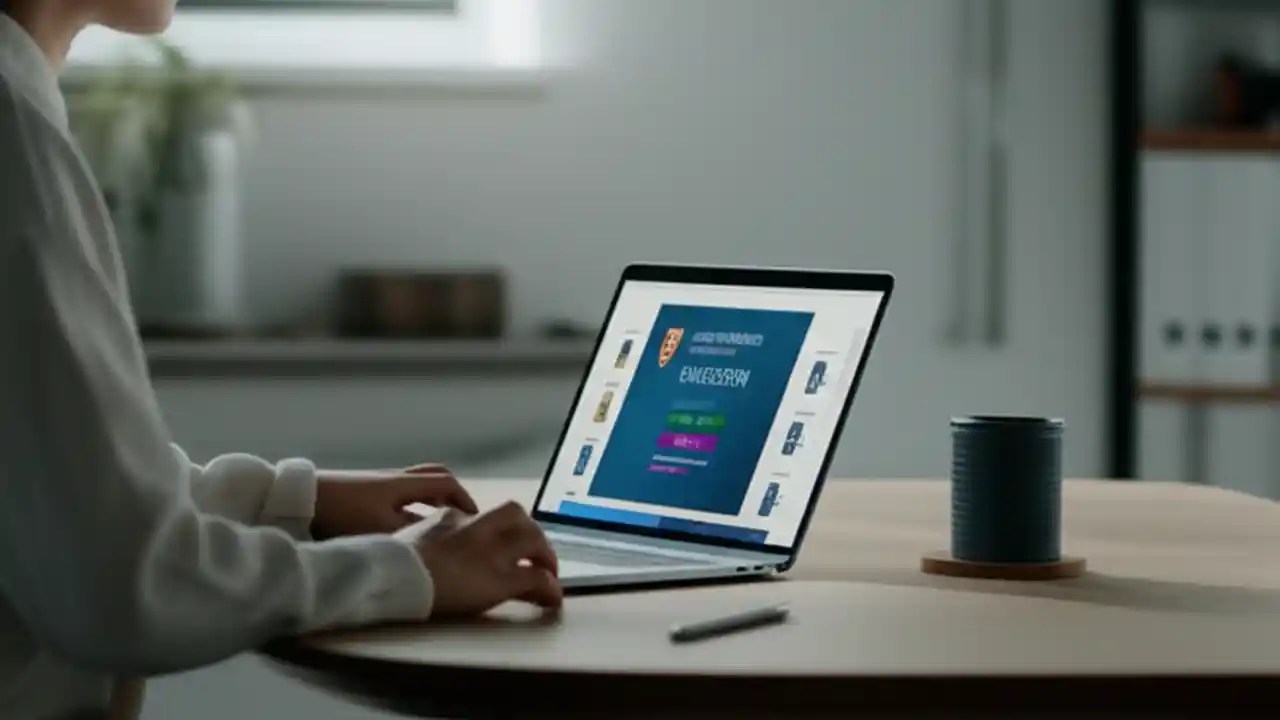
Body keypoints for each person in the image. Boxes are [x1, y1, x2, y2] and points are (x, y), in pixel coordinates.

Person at [0, 1, 562, 717]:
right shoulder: (13, 145)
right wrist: (409, 571)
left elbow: (51, 491)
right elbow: (118, 586)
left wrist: (294, 501)